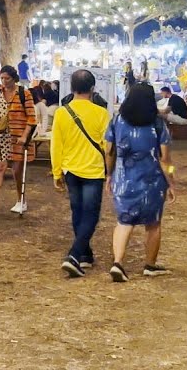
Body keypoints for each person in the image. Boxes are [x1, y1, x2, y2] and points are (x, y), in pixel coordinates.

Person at [106, 82, 175, 282]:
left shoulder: (117, 121)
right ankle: (150, 265)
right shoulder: (157, 124)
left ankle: (118, 262)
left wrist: (109, 174)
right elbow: (165, 159)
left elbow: (109, 151)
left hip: (123, 179)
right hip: (152, 181)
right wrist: (171, 181)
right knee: (153, 223)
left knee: (124, 221)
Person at [51, 69, 110, 278]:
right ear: (93, 88)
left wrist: (56, 172)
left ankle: (85, 254)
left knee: (77, 211)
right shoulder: (101, 113)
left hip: (70, 169)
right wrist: (111, 171)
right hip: (93, 170)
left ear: (71, 87)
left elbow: (56, 145)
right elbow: (107, 146)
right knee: (91, 214)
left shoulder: (61, 112)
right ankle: (75, 254)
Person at [0, 65, 37, 215]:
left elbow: (31, 118)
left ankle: (21, 200)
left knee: (17, 171)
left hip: (18, 137)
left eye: (7, 78)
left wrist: (24, 136)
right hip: (2, 135)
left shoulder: (24, 93)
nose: (4, 81)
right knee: (0, 167)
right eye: (2, 78)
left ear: (14, 78)